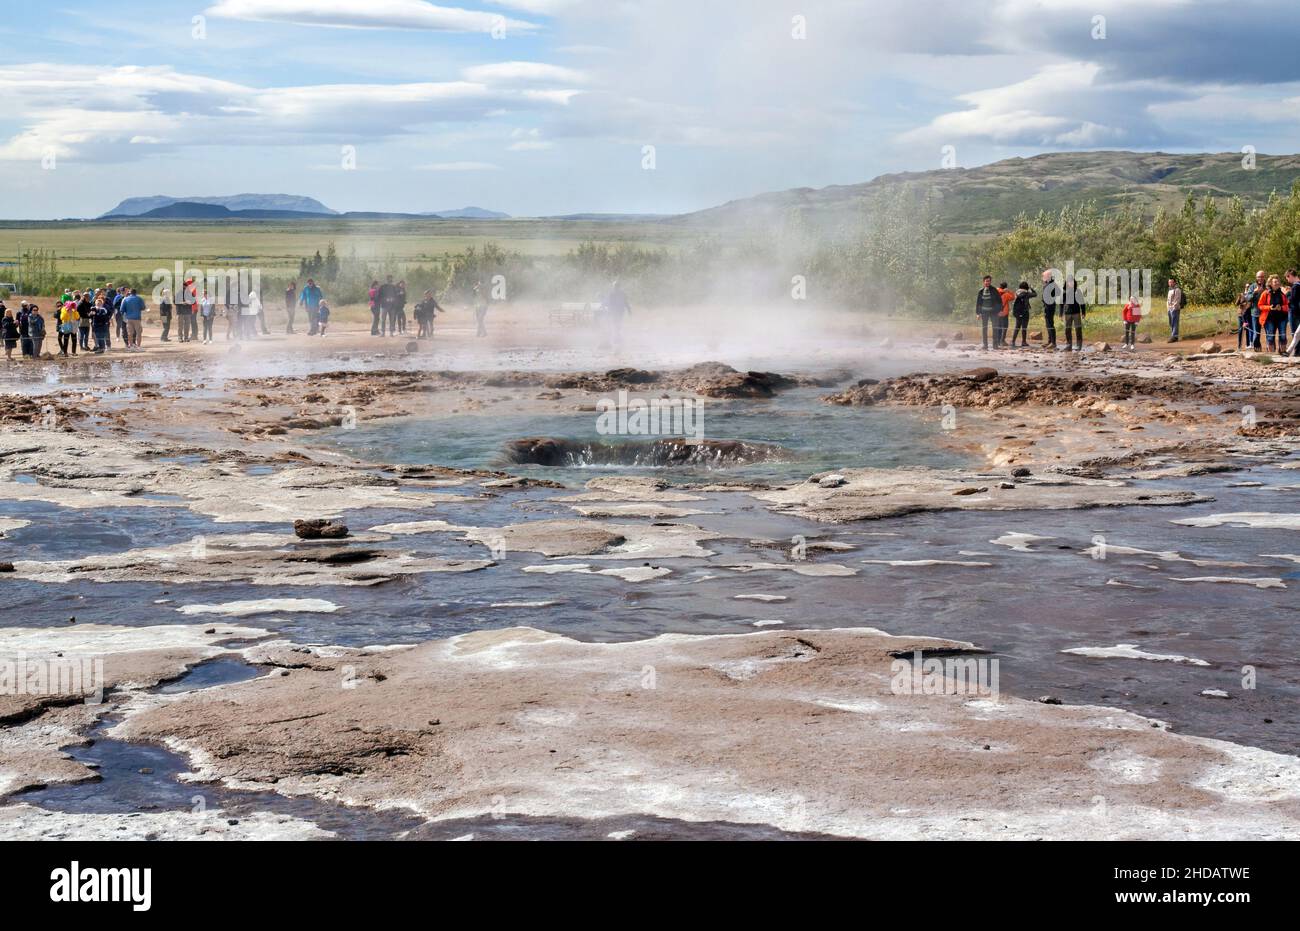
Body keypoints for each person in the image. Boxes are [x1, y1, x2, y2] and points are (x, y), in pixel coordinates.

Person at [1258, 275, 1288, 353]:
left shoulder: (1283, 293)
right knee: (1270, 337)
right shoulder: (1266, 293)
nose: (1277, 283)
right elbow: (1260, 305)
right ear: (1270, 283)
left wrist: (1281, 307)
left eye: (1278, 281)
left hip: (1282, 318)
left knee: (1283, 336)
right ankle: (1271, 355)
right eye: (1275, 282)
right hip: (1269, 319)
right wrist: (1269, 307)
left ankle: (1283, 353)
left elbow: (1288, 305)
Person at [600, 279, 630, 348]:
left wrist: (629, 309)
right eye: (615, 286)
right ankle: (616, 337)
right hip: (615, 311)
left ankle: (617, 337)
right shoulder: (612, 293)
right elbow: (608, 302)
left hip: (618, 311)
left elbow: (625, 302)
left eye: (616, 286)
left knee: (617, 323)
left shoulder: (621, 293)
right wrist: (604, 306)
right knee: (615, 323)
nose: (616, 287)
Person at [1241, 271, 1266, 350]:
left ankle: (1270, 349)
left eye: (1262, 276)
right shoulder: (1252, 286)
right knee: (1256, 332)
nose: (1260, 278)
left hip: (1267, 312)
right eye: (1259, 277)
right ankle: (1257, 349)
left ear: (1264, 277)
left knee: (1269, 332)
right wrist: (1254, 293)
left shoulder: (1268, 286)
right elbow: (1247, 298)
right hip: (1255, 313)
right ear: (1256, 277)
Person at [975, 275, 1000, 350]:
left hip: (993, 312)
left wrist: (999, 310)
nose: (987, 282)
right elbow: (978, 303)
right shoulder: (981, 291)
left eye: (989, 281)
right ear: (984, 282)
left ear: (990, 282)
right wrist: (978, 313)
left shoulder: (994, 290)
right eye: (986, 281)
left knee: (995, 327)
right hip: (984, 312)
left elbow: (999, 301)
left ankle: (995, 345)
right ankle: (985, 345)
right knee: (984, 328)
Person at [1062, 277, 1086, 351]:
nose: (1071, 283)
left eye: (1072, 282)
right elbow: (1061, 304)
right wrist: (1060, 313)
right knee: (1067, 330)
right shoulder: (1065, 292)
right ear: (1067, 283)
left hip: (1076, 312)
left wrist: (1083, 312)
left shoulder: (1077, 291)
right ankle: (1068, 345)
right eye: (1069, 282)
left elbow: (1082, 302)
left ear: (1074, 282)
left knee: (1078, 329)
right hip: (1067, 313)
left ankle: (1079, 345)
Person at [1010, 281, 1036, 348]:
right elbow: (1035, 294)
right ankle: (1023, 342)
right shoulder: (1026, 293)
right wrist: (1031, 288)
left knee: (1017, 327)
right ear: (1026, 287)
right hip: (1024, 312)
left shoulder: (1016, 292)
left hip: (1018, 312)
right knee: (1024, 327)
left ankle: (1013, 341)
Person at [1040, 270, 1059, 350]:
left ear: (1048, 276)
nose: (1043, 278)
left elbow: (1058, 292)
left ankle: (1053, 343)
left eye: (1044, 276)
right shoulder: (1050, 284)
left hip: (1049, 306)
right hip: (1048, 306)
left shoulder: (1052, 284)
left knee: (1050, 324)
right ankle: (1049, 341)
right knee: (1048, 324)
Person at [1165, 277, 1185, 343]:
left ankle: (1174, 336)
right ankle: (1173, 336)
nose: (1170, 283)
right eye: (1169, 282)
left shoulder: (1177, 290)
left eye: (1171, 282)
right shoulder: (1170, 290)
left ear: (1174, 282)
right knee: (1171, 323)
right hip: (1169, 309)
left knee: (1175, 322)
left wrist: (1174, 308)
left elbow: (1177, 300)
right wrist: (1168, 308)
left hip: (1175, 309)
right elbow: (1168, 300)